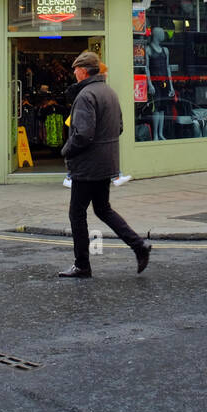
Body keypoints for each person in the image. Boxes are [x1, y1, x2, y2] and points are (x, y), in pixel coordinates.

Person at [56, 50, 150, 278]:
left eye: (76, 69)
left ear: (83, 71)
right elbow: (119, 127)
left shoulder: (85, 95)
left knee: (77, 214)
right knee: (102, 209)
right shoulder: (109, 92)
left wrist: (66, 150)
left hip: (87, 166)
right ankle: (138, 245)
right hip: (105, 163)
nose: (74, 72)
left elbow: (83, 135)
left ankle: (82, 265)